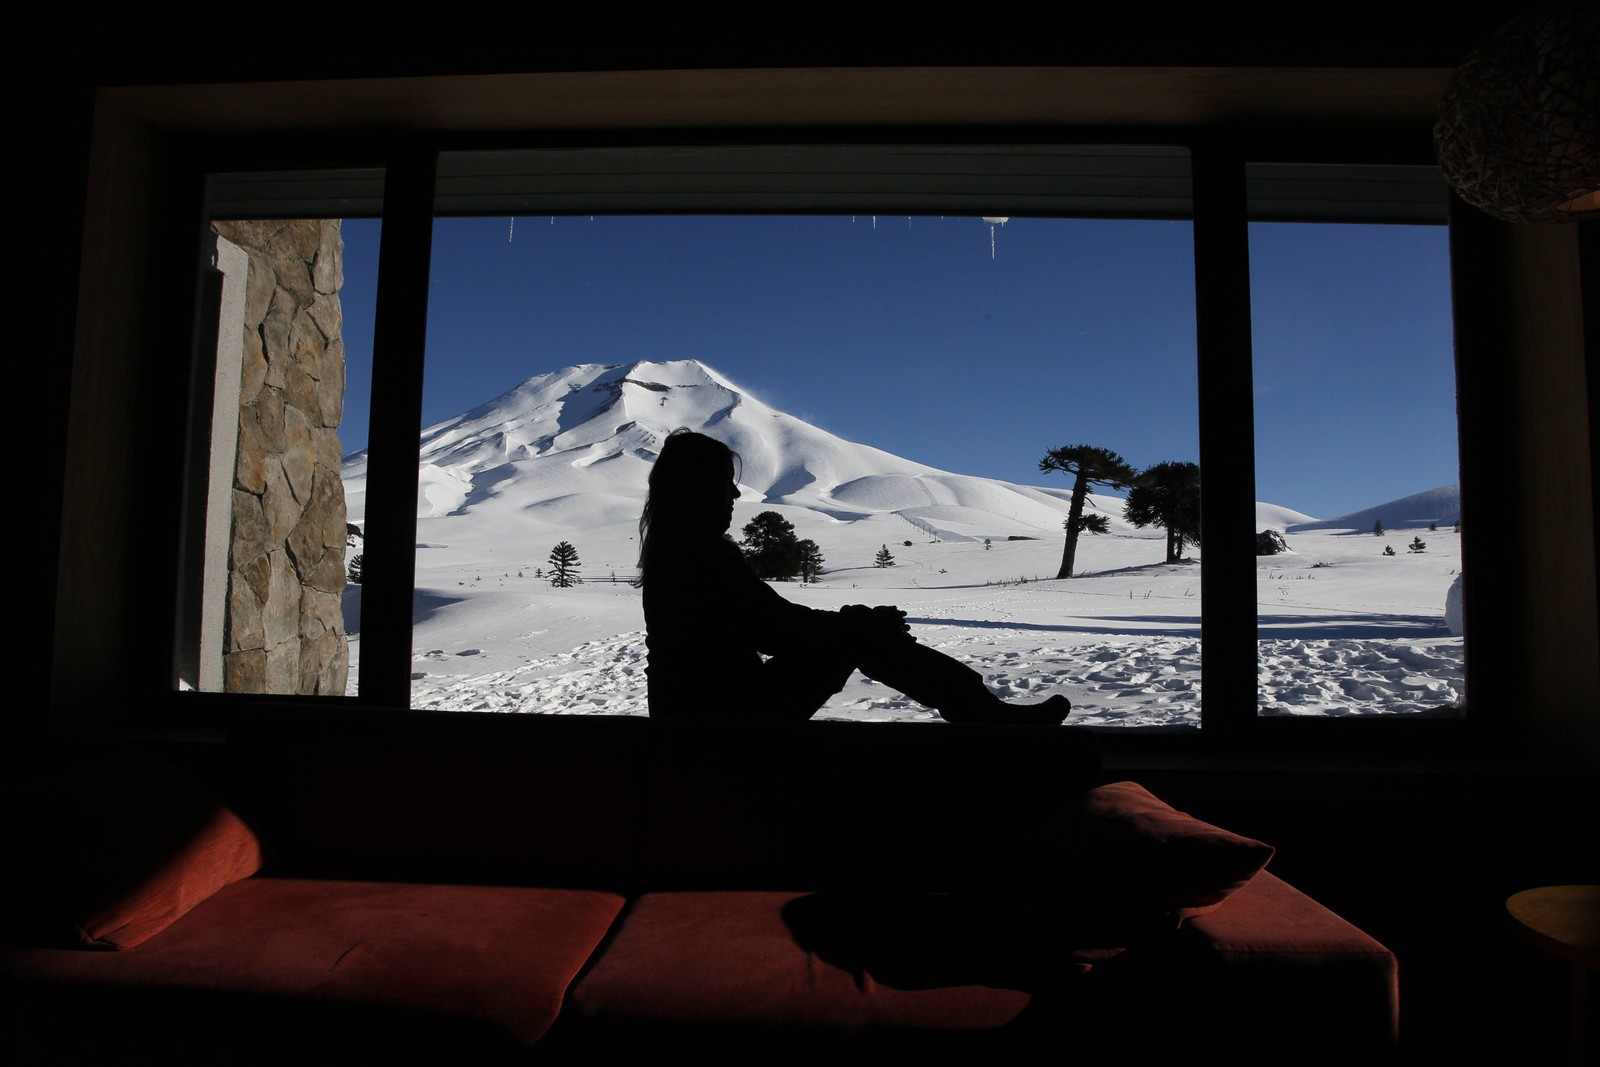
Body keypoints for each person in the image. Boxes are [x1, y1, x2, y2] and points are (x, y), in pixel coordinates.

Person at [636, 428, 1073, 725]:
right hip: (723, 721)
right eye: (722, 482)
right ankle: (984, 714)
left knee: (859, 632)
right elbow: (775, 630)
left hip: (703, 715)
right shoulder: (695, 556)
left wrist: (851, 619)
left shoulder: (682, 550)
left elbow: (772, 619)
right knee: (861, 636)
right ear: (693, 488)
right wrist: (855, 625)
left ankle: (980, 710)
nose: (734, 493)